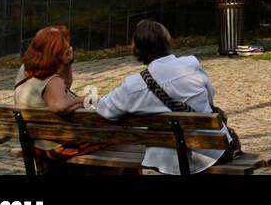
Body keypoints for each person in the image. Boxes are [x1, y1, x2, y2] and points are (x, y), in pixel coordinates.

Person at [95, 19, 233, 175]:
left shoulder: (134, 85)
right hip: (212, 152)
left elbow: (105, 110)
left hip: (167, 161)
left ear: (137, 50)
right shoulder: (191, 64)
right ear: (167, 42)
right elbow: (210, 98)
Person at [13, 25, 103, 169]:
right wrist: (85, 99)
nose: (68, 49)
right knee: (117, 138)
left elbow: (65, 86)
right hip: (57, 146)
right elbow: (59, 105)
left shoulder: (25, 69)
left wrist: (68, 63)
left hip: (36, 142)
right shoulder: (51, 80)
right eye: (64, 49)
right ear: (53, 52)